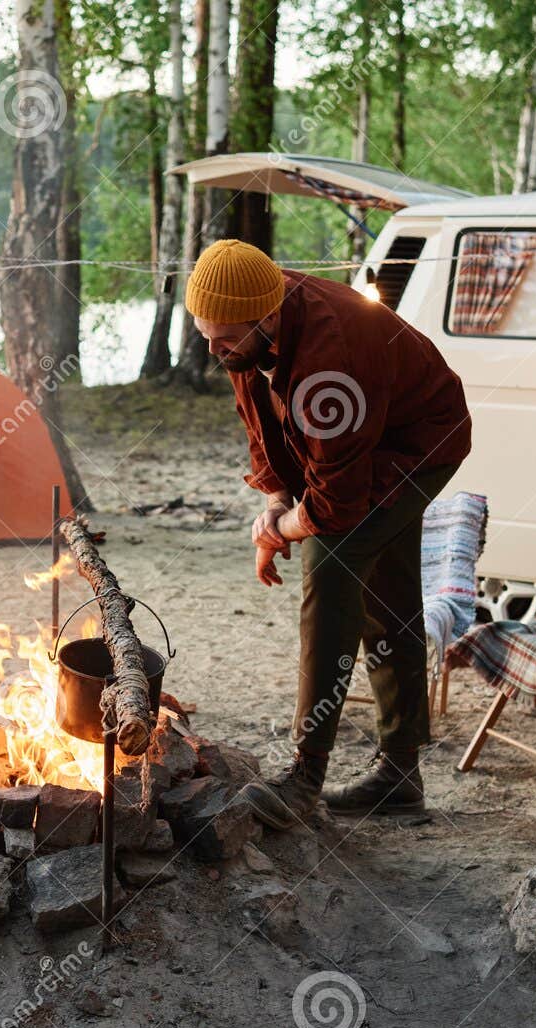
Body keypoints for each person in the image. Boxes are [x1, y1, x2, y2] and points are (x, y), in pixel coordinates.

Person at [183, 238, 472, 829]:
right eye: (203, 334)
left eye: (225, 339)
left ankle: (304, 777)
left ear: (267, 317)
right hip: (365, 436)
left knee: (334, 568)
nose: (214, 351)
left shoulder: (327, 364)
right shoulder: (248, 312)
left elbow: (337, 506)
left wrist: (277, 533)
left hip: (419, 444)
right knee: (386, 595)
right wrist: (275, 499)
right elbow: (259, 417)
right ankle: (401, 777)